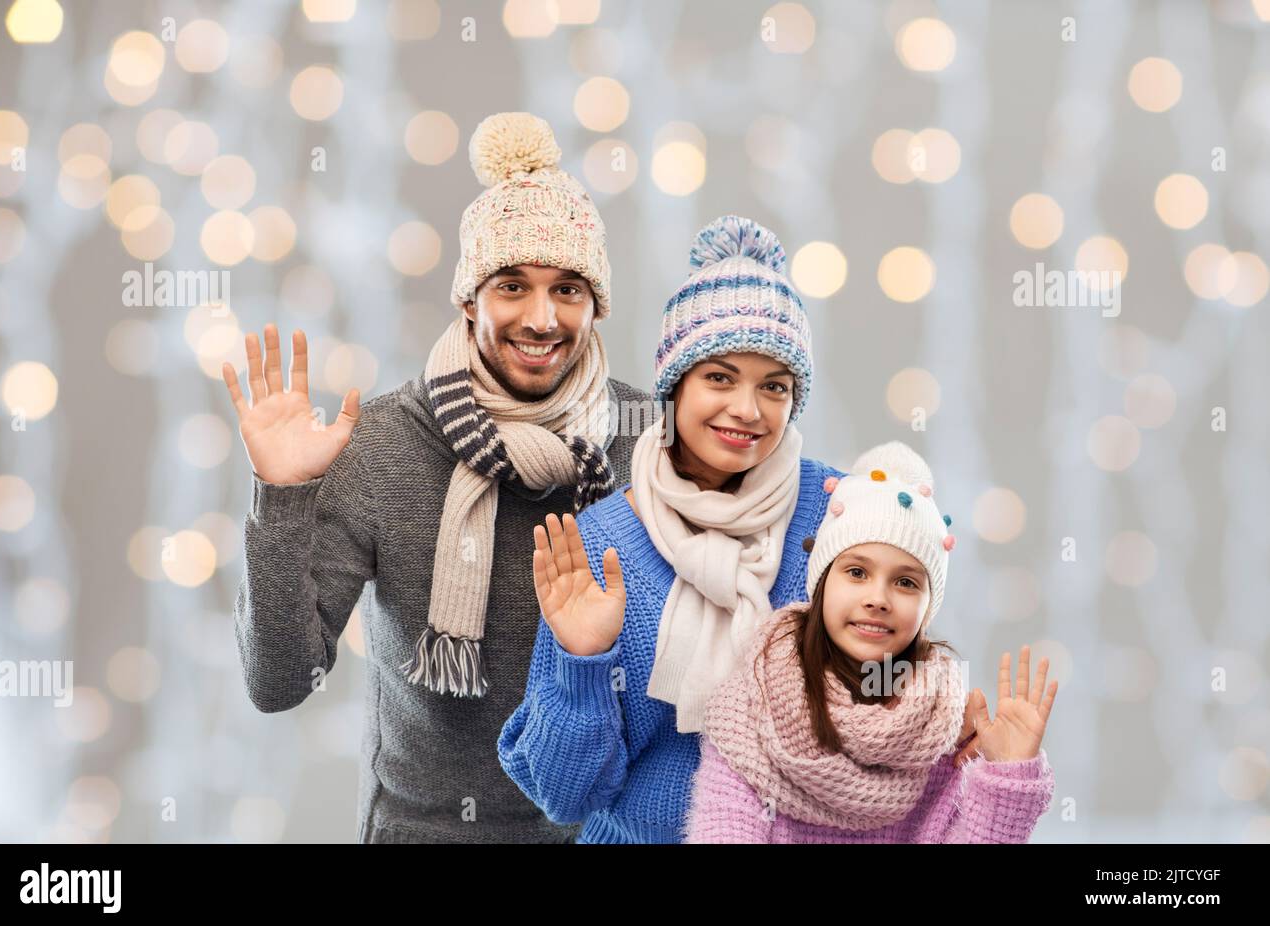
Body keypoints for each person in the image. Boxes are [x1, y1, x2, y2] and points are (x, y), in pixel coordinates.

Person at [223, 112, 655, 843]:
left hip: (610, 827)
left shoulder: (643, 436)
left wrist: (842, 515)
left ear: (595, 306)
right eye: (512, 285)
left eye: (569, 290)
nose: (543, 317)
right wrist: (283, 498)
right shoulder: (386, 443)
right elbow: (279, 682)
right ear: (469, 297)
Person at [497, 215, 842, 843]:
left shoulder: (835, 513)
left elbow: (890, 712)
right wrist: (584, 661)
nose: (748, 409)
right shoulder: (604, 542)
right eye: (719, 377)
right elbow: (564, 796)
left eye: (775, 386)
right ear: (674, 386)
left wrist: (910, 569)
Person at [684, 441, 1059, 843]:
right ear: (823, 583)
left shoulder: (947, 729)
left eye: (905, 582)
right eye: (857, 572)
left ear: (927, 608)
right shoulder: (752, 707)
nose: (878, 599)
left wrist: (1006, 775)